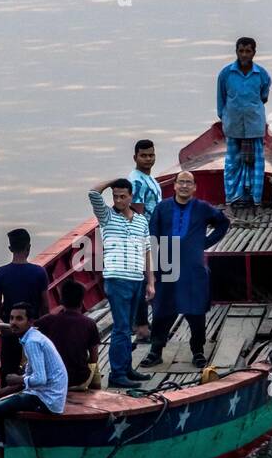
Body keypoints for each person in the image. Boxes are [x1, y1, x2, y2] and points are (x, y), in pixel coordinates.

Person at [140, 170, 229, 369]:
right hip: (167, 268)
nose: (185, 186)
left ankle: (197, 351)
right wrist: (151, 272)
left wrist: (205, 242)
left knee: (196, 311)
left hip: (193, 269)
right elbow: (152, 238)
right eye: (181, 182)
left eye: (189, 183)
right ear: (174, 185)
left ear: (195, 187)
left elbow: (223, 223)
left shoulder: (203, 208)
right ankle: (156, 351)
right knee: (162, 309)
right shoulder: (162, 208)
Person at [0, 302, 67, 458]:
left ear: (30, 321)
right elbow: (24, 382)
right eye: (11, 318)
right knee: (0, 405)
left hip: (46, 399)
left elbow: (39, 379)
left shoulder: (33, 342)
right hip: (44, 395)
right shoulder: (32, 337)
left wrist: (17, 378)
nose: (13, 323)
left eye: (19, 318)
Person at [89, 177, 154, 388]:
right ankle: (117, 373)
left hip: (136, 279)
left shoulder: (141, 220)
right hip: (117, 279)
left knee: (129, 327)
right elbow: (92, 193)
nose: (118, 200)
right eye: (115, 196)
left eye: (122, 196)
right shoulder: (106, 216)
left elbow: (147, 252)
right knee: (121, 327)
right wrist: (112, 182)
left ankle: (126, 369)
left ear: (131, 197)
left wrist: (150, 282)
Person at [216, 37, 272, 206]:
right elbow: (221, 99)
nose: (244, 55)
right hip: (233, 125)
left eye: (248, 51)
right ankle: (232, 199)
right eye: (241, 51)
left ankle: (255, 201)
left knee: (256, 165)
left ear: (254, 52)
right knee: (233, 164)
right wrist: (224, 118)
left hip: (254, 125)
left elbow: (264, 96)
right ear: (236, 51)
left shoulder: (261, 74)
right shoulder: (226, 74)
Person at [0, 228, 48, 380]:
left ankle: (5, 396)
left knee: (8, 370)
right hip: (32, 328)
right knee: (36, 369)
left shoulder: (0, 273)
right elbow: (45, 306)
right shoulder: (39, 272)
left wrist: (0, 322)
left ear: (10, 249)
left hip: (11, 329)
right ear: (28, 247)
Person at [35, 281, 100, 391]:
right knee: (95, 366)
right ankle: (97, 393)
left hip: (52, 379)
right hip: (79, 380)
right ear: (81, 301)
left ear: (61, 300)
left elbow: (28, 330)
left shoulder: (47, 320)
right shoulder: (89, 323)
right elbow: (94, 357)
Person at [128, 140, 162, 342]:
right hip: (144, 238)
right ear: (135, 158)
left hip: (154, 235)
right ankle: (141, 327)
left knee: (150, 281)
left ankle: (147, 324)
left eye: (151, 155)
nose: (148, 159)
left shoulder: (149, 179)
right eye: (143, 155)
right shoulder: (137, 181)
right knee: (142, 283)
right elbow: (137, 212)